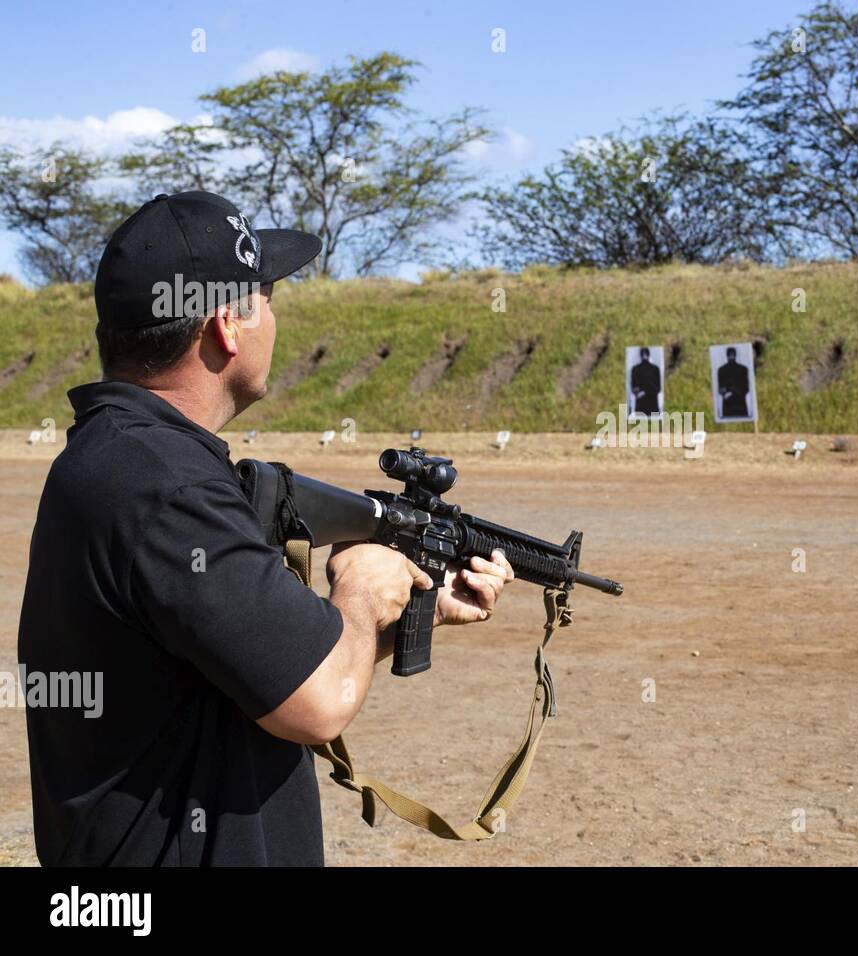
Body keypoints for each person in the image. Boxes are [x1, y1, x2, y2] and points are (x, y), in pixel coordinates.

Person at [17, 191, 514, 866]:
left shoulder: (119, 457)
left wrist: (401, 615)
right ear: (228, 324)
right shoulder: (168, 485)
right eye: (268, 296)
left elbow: (247, 660)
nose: (275, 317)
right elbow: (317, 704)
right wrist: (362, 589)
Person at [716, 346, 751, 419]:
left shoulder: (743, 369)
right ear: (727, 355)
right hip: (728, 406)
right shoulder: (721, 370)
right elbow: (720, 389)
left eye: (732, 354)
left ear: (735, 355)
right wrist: (726, 392)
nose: (731, 357)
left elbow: (746, 388)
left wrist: (732, 391)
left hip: (740, 405)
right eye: (729, 355)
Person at [629, 347, 662, 416]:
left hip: (650, 407)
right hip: (644, 407)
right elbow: (633, 388)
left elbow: (658, 388)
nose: (644, 356)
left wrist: (643, 392)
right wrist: (639, 392)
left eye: (645, 354)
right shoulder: (636, 369)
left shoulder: (655, 369)